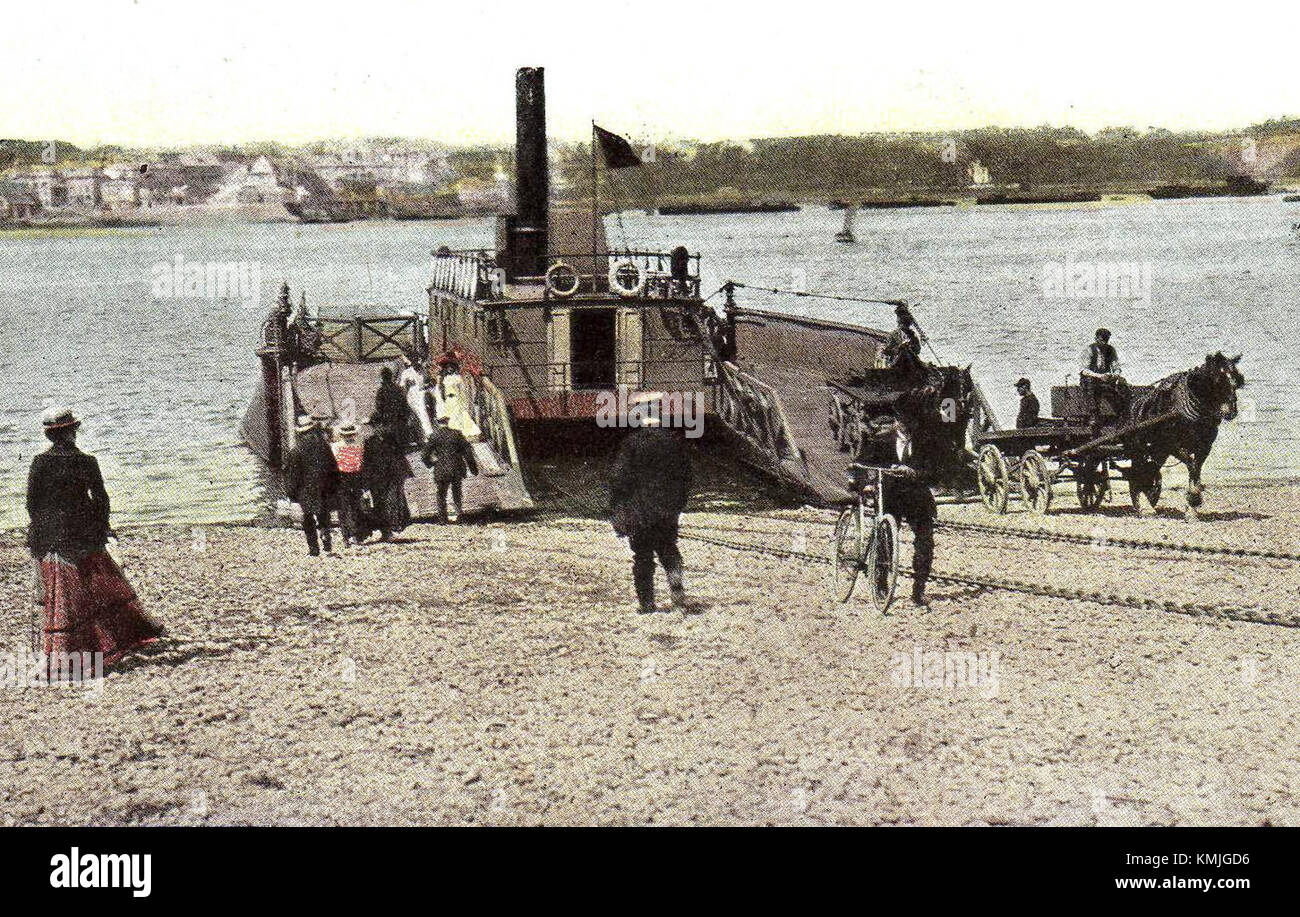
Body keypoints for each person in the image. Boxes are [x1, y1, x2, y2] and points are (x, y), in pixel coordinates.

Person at [26, 406, 163, 675]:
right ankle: (111, 640)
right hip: (84, 533)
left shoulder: (39, 462)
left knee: (63, 597)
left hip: (52, 537)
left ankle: (69, 654)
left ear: (49, 436)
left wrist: (42, 531)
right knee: (99, 587)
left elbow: (32, 504)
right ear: (72, 431)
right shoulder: (87, 461)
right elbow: (101, 499)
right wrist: (102, 527)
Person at [608, 393, 691, 614]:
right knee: (669, 551)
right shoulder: (674, 441)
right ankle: (677, 595)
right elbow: (686, 477)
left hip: (640, 512)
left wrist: (618, 510)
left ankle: (647, 604)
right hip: (667, 511)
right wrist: (677, 505)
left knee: (642, 557)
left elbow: (618, 479)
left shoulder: (632, 444)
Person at [858, 408, 937, 609]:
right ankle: (881, 584)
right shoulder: (882, 440)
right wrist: (867, 483)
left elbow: (934, 471)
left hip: (917, 497)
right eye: (904, 422)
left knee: (925, 542)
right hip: (890, 495)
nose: (908, 427)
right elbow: (861, 464)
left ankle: (919, 590)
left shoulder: (926, 441)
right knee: (885, 540)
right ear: (897, 421)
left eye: (913, 422)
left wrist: (913, 472)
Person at [284, 415, 339, 556]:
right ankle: (327, 544)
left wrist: (292, 495)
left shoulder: (296, 450)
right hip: (323, 487)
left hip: (305, 490)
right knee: (323, 516)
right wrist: (334, 487)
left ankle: (314, 549)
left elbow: (292, 476)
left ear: (300, 433)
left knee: (308, 519)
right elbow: (333, 467)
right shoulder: (323, 446)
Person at [421, 412, 480, 523]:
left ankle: (443, 518)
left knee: (441, 494)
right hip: (456, 468)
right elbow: (468, 452)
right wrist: (473, 468)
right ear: (447, 422)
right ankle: (459, 515)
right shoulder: (457, 434)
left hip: (441, 469)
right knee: (457, 491)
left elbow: (424, 455)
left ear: (437, 423)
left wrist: (430, 464)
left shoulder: (434, 436)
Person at [363, 420, 412, 540]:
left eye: (380, 425)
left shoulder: (392, 440)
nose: (378, 428)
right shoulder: (369, 442)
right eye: (375, 426)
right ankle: (385, 531)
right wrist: (366, 481)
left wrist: (402, 474)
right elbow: (367, 462)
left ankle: (392, 528)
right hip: (377, 479)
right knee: (379, 504)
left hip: (392, 477)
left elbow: (400, 458)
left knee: (392, 503)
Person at [1079, 327, 1129, 430]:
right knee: (1090, 382)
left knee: (1122, 383)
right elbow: (1084, 370)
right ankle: (1093, 415)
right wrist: (1099, 376)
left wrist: (1115, 375)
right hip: (1091, 379)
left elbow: (1116, 367)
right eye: (1102, 340)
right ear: (1096, 339)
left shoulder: (1111, 350)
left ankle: (1122, 414)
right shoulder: (1089, 350)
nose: (1104, 343)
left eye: (1106, 340)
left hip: (1105, 380)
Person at [330, 423, 366, 545]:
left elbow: (333, 462)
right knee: (355, 506)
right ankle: (356, 535)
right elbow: (360, 463)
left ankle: (346, 535)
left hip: (341, 478)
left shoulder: (335, 447)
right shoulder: (359, 446)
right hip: (355, 477)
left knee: (344, 507)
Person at [435, 360, 482, 441]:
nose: (450, 368)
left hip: (456, 398)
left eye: (451, 366)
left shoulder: (458, 378)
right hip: (448, 399)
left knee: (457, 416)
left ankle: (464, 434)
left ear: (454, 367)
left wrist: (464, 401)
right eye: (448, 366)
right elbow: (441, 389)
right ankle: (452, 434)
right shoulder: (445, 377)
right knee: (449, 416)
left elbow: (462, 390)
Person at [399, 357, 434, 443]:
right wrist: (404, 398)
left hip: (422, 394)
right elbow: (402, 387)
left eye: (418, 363)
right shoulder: (406, 373)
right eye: (414, 363)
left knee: (422, 411)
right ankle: (417, 436)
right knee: (416, 413)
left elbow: (430, 382)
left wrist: (426, 385)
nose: (417, 366)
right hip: (412, 395)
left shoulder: (424, 371)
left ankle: (428, 434)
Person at [371, 366, 410, 435]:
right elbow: (406, 406)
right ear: (391, 376)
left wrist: (371, 419)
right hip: (401, 423)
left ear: (382, 378)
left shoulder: (382, 391)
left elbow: (379, 409)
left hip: (389, 424)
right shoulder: (399, 389)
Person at [883, 303, 924, 371]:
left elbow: (917, 350)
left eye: (906, 324)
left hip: (911, 363)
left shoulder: (912, 335)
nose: (905, 325)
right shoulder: (894, 335)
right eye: (903, 322)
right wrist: (899, 348)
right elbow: (887, 351)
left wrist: (910, 347)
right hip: (897, 363)